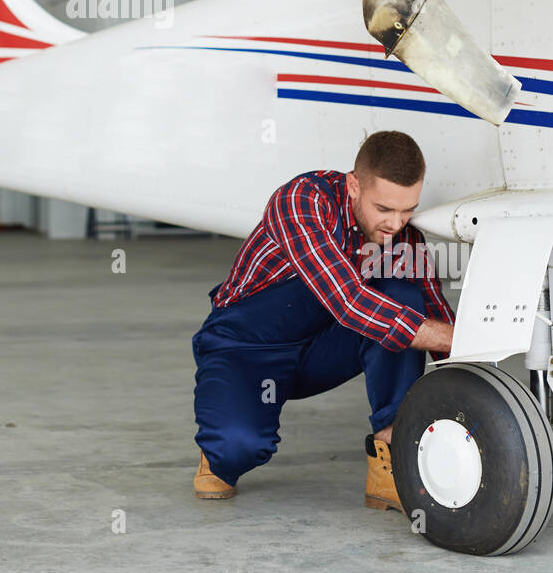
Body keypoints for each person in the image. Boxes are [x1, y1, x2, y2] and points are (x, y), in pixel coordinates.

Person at [191, 130, 453, 509]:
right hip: (246, 345)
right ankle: (220, 451)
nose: (396, 224)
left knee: (403, 296)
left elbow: (436, 316)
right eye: (384, 209)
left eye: (407, 209)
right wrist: (451, 337)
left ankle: (390, 456)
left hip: (320, 349)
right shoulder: (303, 200)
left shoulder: (402, 238)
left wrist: (480, 394)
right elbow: (346, 300)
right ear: (353, 185)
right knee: (238, 450)